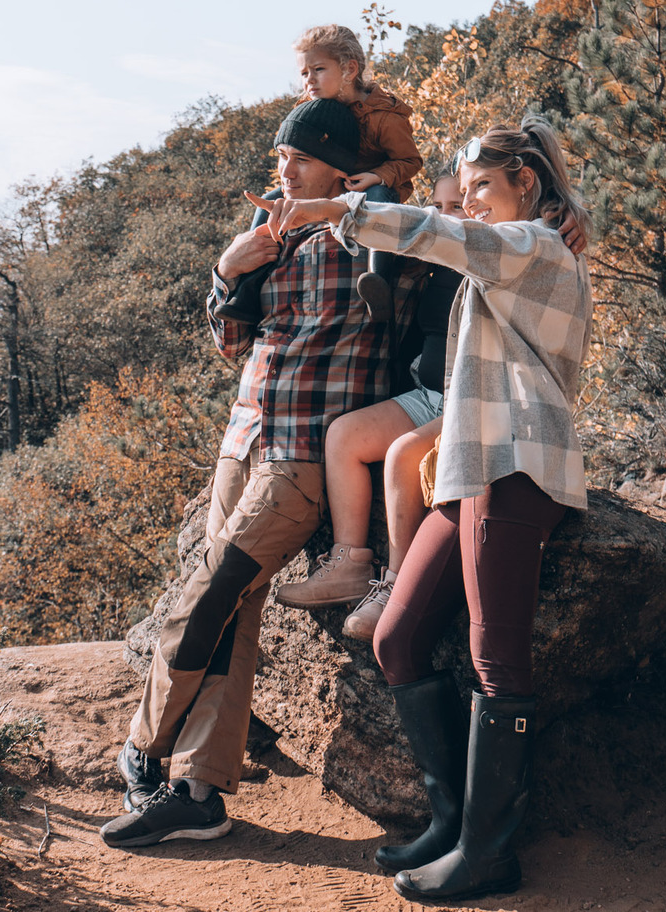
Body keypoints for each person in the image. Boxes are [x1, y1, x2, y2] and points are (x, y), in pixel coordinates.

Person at [249, 117, 593, 904]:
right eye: (463, 190)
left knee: (496, 659)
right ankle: (450, 823)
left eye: (483, 187)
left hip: (517, 466)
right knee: (398, 637)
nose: (469, 203)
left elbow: (439, 234)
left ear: (527, 185)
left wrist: (334, 209)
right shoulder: (517, 247)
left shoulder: (536, 246)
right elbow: (447, 240)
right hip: (471, 469)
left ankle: (488, 853)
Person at [99, 98, 417, 850]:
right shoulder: (271, 231)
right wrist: (226, 270)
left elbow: (428, 232)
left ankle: (143, 746)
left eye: (300, 159)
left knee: (208, 596)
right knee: (235, 609)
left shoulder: (373, 229)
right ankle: (197, 793)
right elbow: (232, 341)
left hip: (300, 458)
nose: (285, 172)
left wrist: (365, 195)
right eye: (281, 158)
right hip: (241, 441)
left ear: (339, 167)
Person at [271, 173, 465, 636]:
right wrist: (379, 181)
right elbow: (392, 222)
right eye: (437, 205)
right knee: (344, 435)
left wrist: (564, 218)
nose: (444, 215)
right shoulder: (433, 258)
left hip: (471, 402)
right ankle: (350, 563)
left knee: (402, 455)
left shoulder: (491, 254)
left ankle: (396, 587)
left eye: (457, 205)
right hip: (428, 395)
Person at [219, 25, 423, 326]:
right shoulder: (310, 107)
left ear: (349, 69)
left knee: (379, 201)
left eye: (318, 70)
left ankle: (378, 277)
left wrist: (377, 175)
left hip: (371, 186)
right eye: (304, 73)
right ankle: (246, 291)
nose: (309, 80)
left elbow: (410, 160)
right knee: (271, 201)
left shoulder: (384, 116)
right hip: (330, 187)